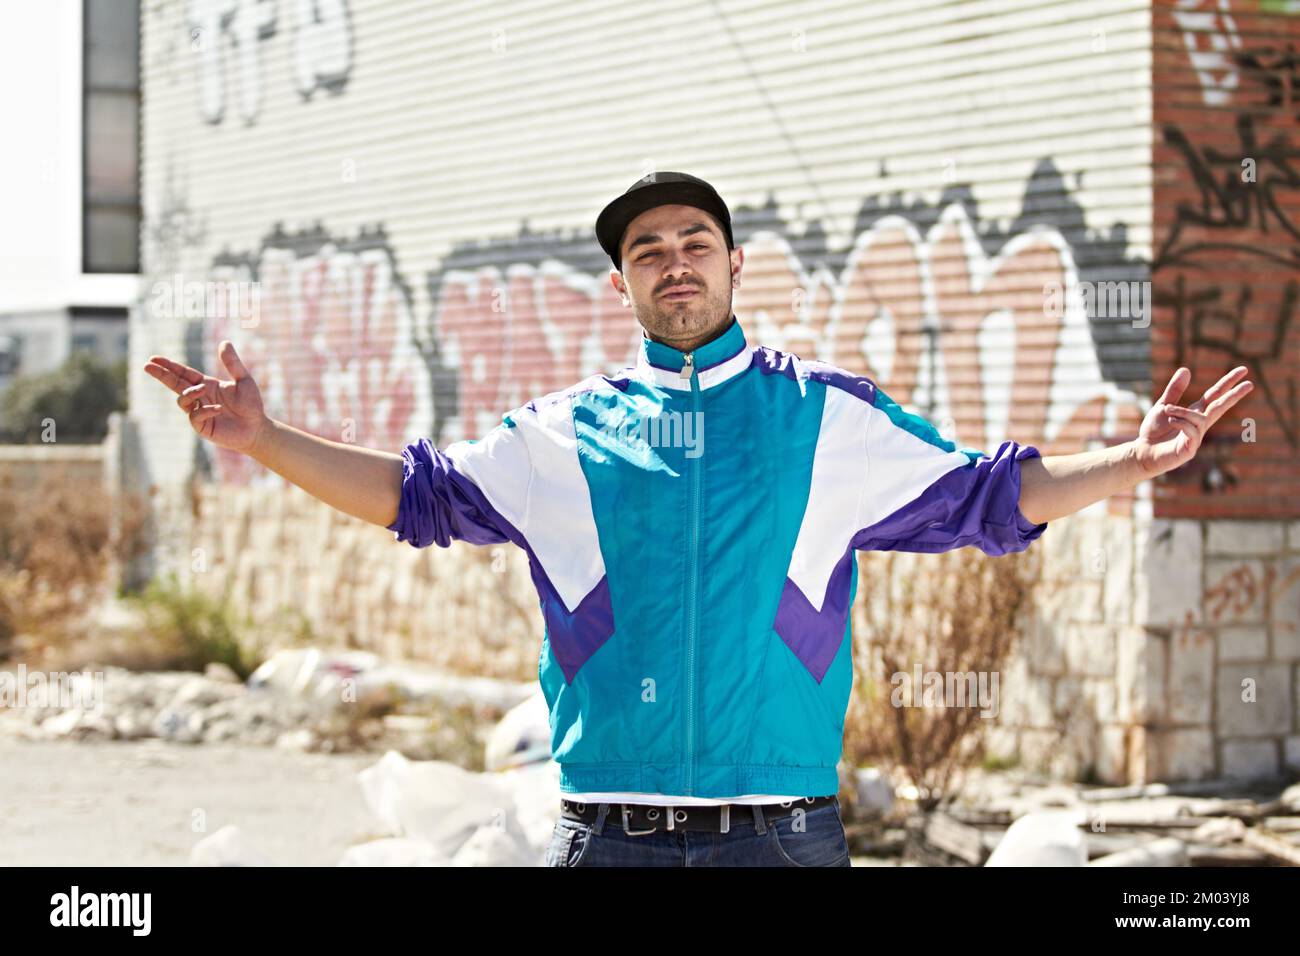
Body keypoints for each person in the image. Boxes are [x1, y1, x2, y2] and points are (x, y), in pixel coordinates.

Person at [144, 171, 1253, 867]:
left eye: (692, 241)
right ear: (621, 286)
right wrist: (267, 438)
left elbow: (992, 495)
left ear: (733, 264)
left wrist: (1131, 459)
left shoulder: (823, 418)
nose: (672, 262)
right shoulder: (561, 434)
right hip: (603, 832)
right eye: (645, 251)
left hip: (781, 831)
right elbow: (412, 494)